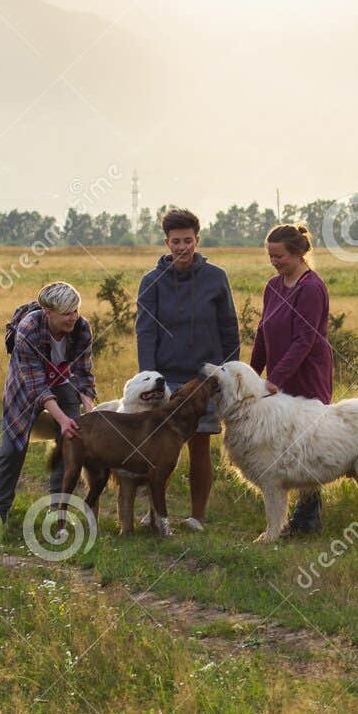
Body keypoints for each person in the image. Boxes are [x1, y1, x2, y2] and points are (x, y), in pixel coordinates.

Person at [135, 207, 240, 530]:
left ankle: (197, 516)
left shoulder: (216, 277)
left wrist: (227, 373)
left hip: (203, 379)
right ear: (167, 243)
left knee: (200, 445)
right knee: (159, 449)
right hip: (165, 378)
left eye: (188, 241)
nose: (182, 247)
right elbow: (145, 332)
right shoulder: (151, 282)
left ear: (198, 239)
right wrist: (150, 380)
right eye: (176, 241)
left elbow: (229, 328)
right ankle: (155, 513)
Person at [0, 281, 97, 546]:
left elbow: (83, 373)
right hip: (25, 388)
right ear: (48, 312)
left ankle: (57, 514)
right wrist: (61, 419)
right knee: (12, 449)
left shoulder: (81, 328)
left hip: (63, 384)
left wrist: (92, 410)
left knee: (68, 445)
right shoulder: (29, 328)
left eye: (76, 310)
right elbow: (36, 386)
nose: (73, 317)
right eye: (67, 312)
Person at [250, 222, 335, 535]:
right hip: (278, 376)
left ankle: (307, 518)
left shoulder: (311, 288)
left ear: (299, 253)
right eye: (270, 256)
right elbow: (263, 333)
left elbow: (305, 340)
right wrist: (252, 374)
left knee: (307, 442)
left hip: (308, 375)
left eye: (280, 256)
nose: (274, 262)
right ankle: (289, 517)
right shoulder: (272, 287)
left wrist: (275, 379)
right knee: (282, 442)